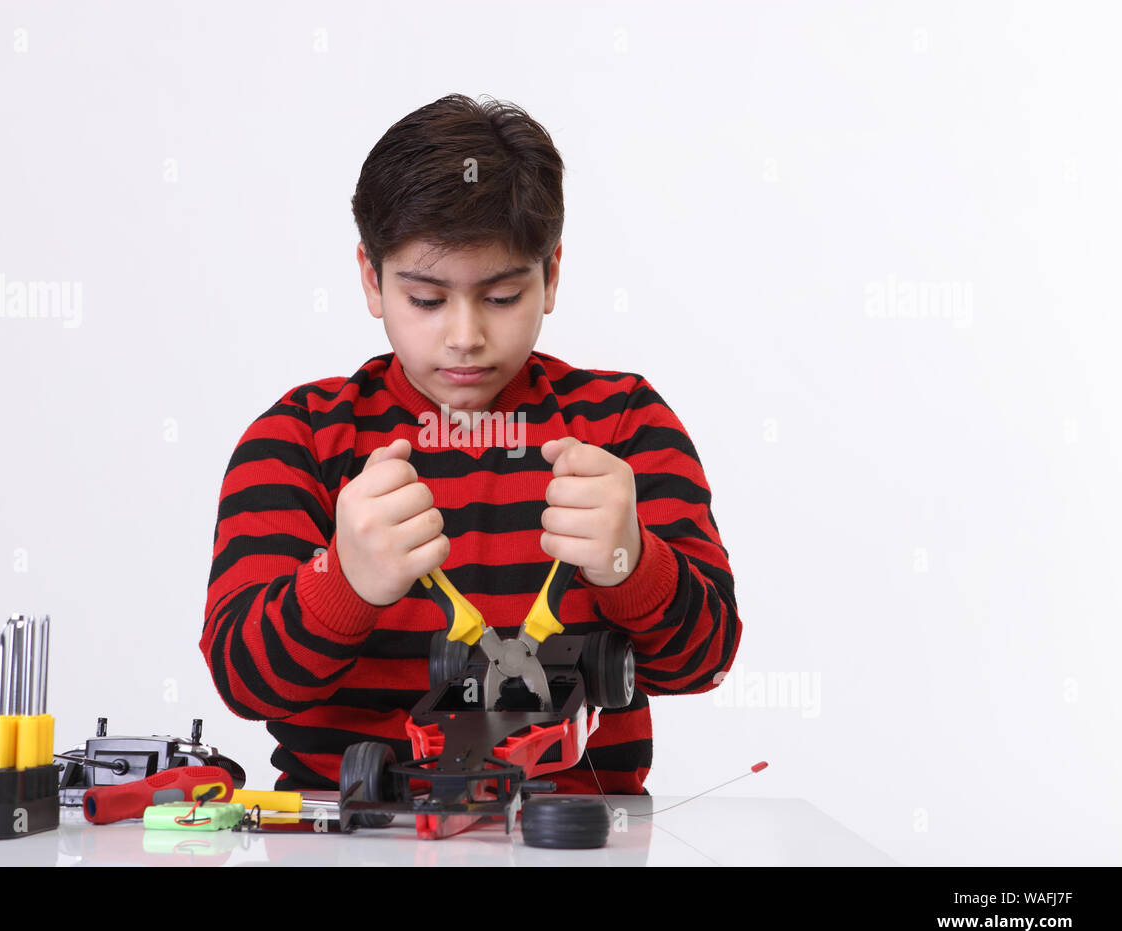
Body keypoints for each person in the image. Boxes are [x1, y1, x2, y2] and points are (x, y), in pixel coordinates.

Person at [199, 93, 741, 795]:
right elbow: (247, 684)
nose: (463, 336)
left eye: (501, 296)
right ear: (372, 278)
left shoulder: (621, 424)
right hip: (344, 836)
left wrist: (630, 561)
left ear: (550, 277)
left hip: (570, 837)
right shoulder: (300, 438)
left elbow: (705, 663)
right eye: (426, 300)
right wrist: (345, 580)